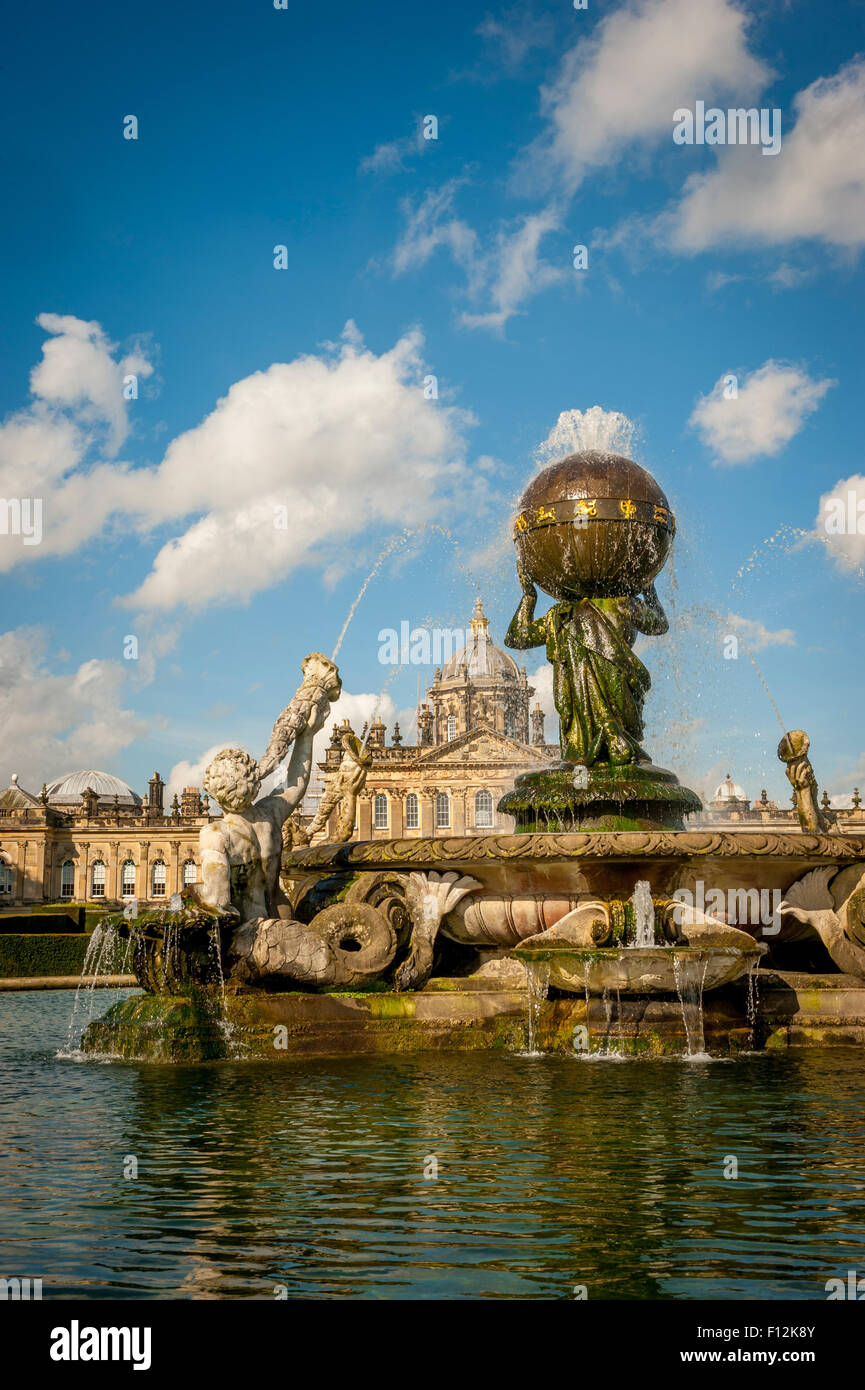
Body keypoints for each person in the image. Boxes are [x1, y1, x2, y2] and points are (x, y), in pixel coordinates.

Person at [506, 562, 667, 766]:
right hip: (622, 693)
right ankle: (613, 737)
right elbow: (659, 624)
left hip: (585, 710)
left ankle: (602, 740)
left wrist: (529, 596)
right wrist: (650, 591)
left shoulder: (561, 616)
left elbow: (517, 636)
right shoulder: (625, 604)